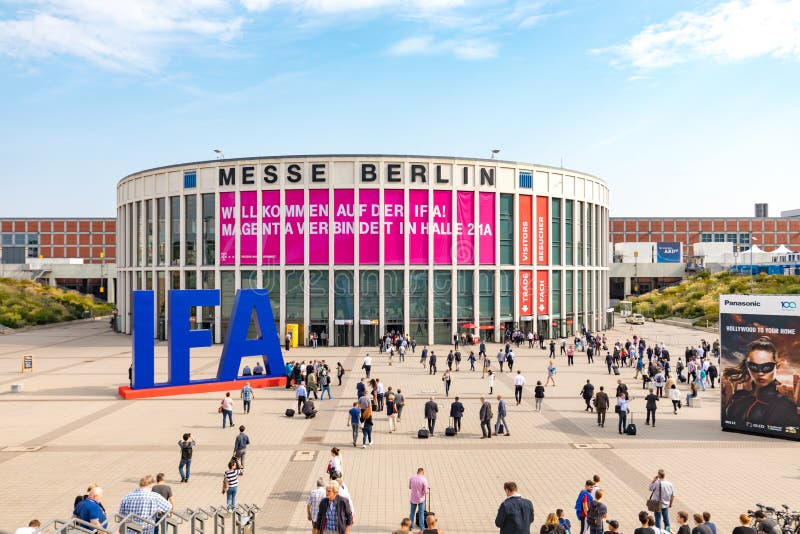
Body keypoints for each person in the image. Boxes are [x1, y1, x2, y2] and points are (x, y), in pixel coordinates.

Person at [722, 336, 800, 428]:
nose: (760, 373)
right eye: (754, 366)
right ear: (747, 367)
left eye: (766, 367)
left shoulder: (785, 405)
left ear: (777, 367)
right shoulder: (738, 397)